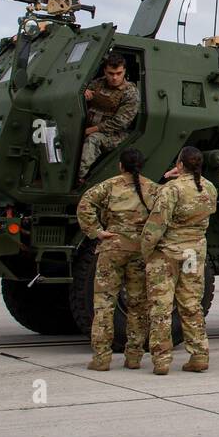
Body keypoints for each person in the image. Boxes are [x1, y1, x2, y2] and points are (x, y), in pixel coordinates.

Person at [77, 148, 157, 370]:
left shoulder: (110, 185)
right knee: (137, 305)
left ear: (121, 165)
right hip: (139, 250)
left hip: (112, 249)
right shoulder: (152, 188)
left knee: (104, 304)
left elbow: (85, 204)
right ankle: (134, 357)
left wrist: (96, 231)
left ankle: (102, 358)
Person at [141, 146, 215, 375]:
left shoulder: (171, 189)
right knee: (192, 304)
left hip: (167, 254)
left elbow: (156, 224)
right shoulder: (209, 188)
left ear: (180, 164)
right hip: (194, 252)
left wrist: (145, 251)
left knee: (161, 307)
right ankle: (199, 355)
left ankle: (162, 360)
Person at [78, 53, 140, 182]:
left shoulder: (130, 92)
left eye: (119, 73)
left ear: (124, 71)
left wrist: (91, 130)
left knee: (92, 140)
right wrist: (83, 92)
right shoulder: (97, 83)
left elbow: (120, 123)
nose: (115, 77)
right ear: (105, 71)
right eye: (111, 73)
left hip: (115, 135)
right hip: (88, 127)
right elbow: (79, 91)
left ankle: (78, 178)